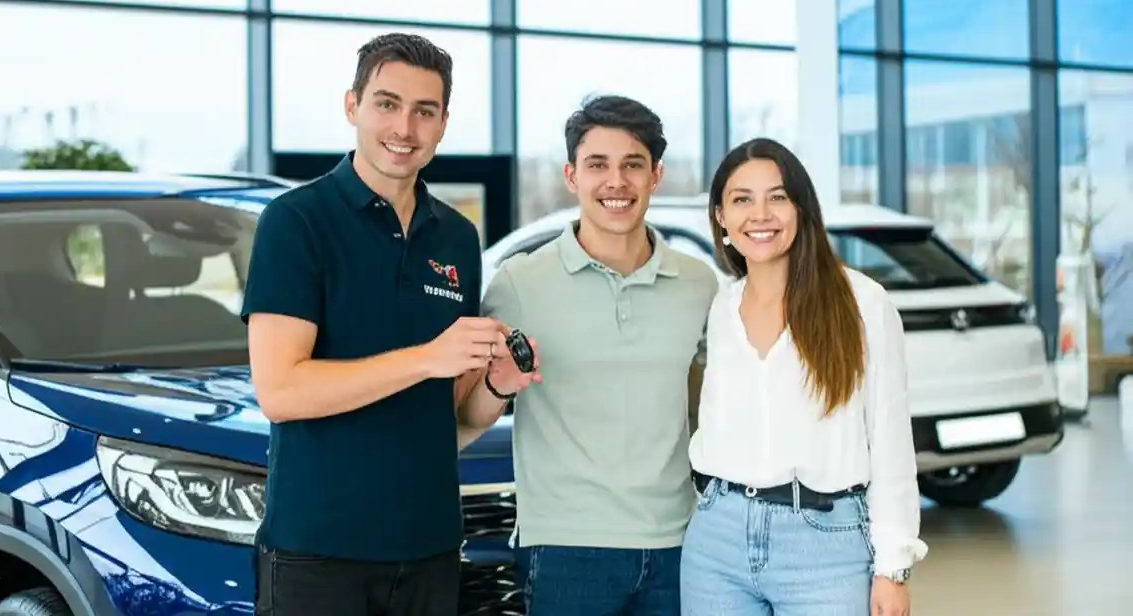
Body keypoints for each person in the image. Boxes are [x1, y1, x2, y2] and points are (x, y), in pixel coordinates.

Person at [242, 32, 537, 616]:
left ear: (443, 123)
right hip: (319, 554)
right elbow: (280, 391)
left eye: (424, 111)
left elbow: (449, 420)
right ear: (352, 106)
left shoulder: (457, 237)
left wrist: (496, 386)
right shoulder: (296, 222)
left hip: (430, 551)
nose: (405, 127)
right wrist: (427, 357)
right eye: (387, 104)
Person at [471, 94, 719, 615]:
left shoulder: (698, 285)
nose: (616, 181)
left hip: (678, 542)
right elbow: (470, 409)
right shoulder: (519, 284)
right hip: (565, 547)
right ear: (572, 175)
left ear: (656, 175)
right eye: (598, 164)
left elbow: (708, 404)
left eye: (633, 164)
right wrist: (497, 386)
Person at [680, 137, 928, 616]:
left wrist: (893, 566)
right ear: (721, 217)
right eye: (742, 199)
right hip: (717, 543)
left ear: (801, 207)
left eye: (777, 197)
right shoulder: (722, 307)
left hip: (827, 547)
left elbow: (892, 441)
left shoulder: (862, 302)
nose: (760, 214)